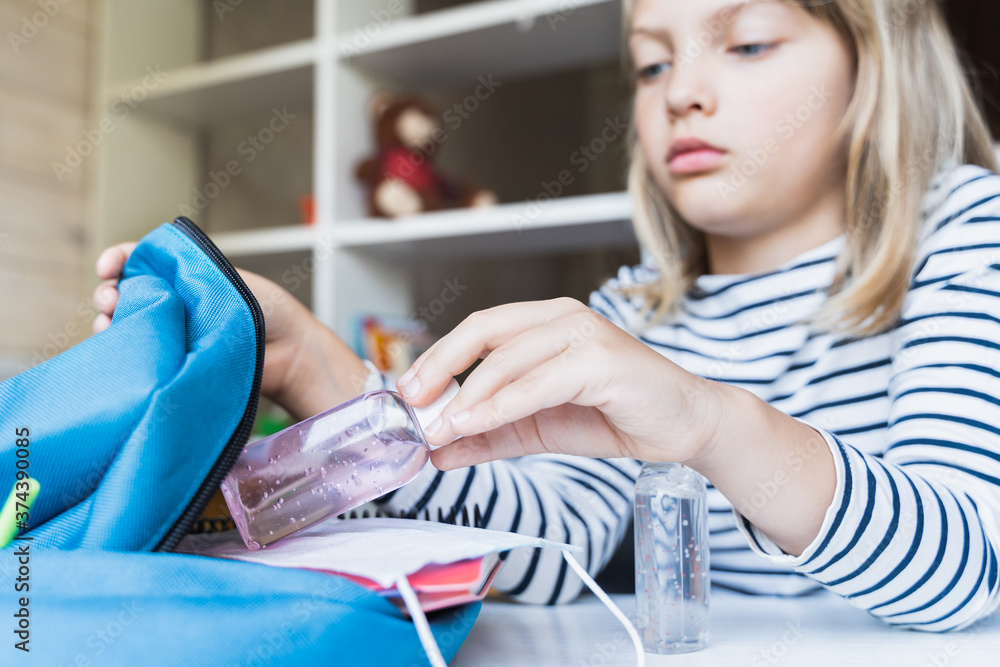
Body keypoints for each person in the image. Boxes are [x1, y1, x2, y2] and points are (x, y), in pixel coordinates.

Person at [94, 0, 1000, 630]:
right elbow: (550, 546)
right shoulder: (638, 309)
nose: (679, 90)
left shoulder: (968, 230)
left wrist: (710, 420)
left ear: (873, 61)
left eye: (749, 43)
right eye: (650, 62)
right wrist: (324, 372)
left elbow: (961, 574)